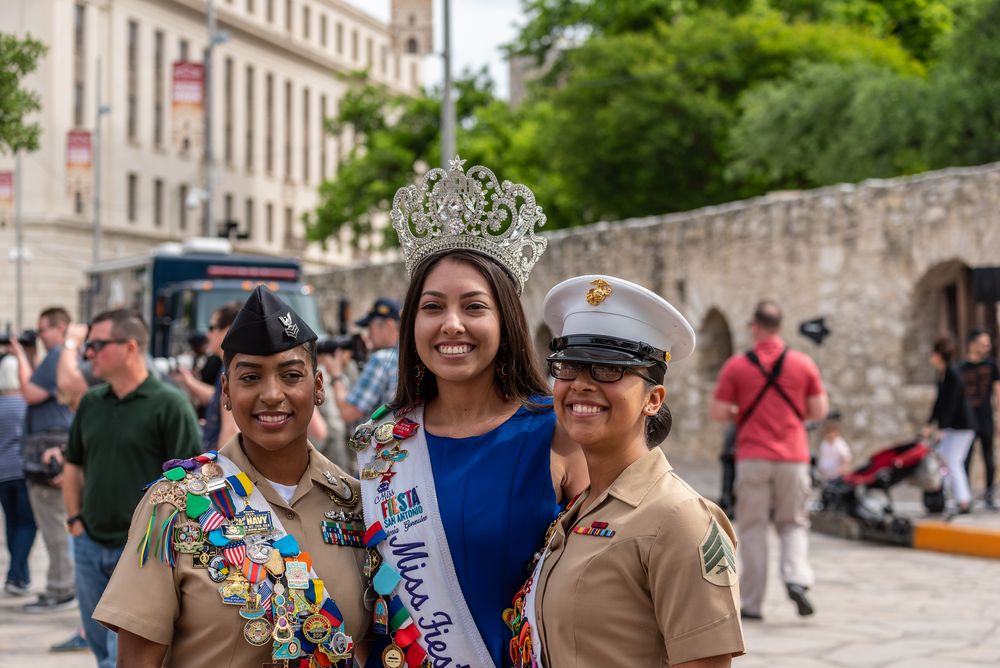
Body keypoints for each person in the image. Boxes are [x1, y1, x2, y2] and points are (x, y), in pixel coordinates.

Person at [354, 158, 587, 666]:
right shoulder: (382, 443)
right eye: (433, 306)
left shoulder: (558, 431)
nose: (452, 324)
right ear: (411, 322)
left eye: (475, 307)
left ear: (506, 320)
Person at [94, 286, 370, 667]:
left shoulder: (357, 504)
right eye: (251, 377)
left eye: (291, 375)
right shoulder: (176, 504)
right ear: (225, 390)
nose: (272, 394)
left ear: (318, 386)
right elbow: (137, 658)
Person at [512, 275, 744, 668]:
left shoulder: (679, 518)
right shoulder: (582, 506)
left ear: (652, 399)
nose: (581, 384)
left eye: (607, 370)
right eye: (568, 367)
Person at [61, 309, 202, 668]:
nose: (88, 353)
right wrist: (75, 522)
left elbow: (190, 481)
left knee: (121, 657)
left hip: (143, 553)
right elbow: (73, 465)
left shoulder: (169, 404)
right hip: (90, 543)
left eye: (97, 345)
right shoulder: (91, 403)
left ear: (129, 347)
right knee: (99, 650)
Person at [711, 300, 828, 620]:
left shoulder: (736, 366)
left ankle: (752, 603)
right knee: (793, 523)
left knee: (752, 529)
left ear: (755, 327)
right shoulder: (803, 364)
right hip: (794, 456)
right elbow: (818, 411)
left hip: (752, 456)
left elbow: (719, 413)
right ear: (778, 326)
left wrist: (744, 411)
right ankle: (796, 579)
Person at [8, 307, 77, 614]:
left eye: (43, 329)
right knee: (53, 526)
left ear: (60, 328)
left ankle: (62, 589)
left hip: (51, 455)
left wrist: (19, 356)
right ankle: (59, 585)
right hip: (50, 450)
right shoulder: (53, 359)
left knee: (54, 526)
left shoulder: (57, 355)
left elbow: (30, 393)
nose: (39, 335)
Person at [327, 297, 401, 425]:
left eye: (370, 328)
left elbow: (348, 412)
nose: (368, 335)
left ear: (388, 325)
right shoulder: (408, 355)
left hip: (375, 442)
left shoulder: (382, 360)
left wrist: (336, 373)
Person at [926, 335, 976, 514]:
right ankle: (944, 497)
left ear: (939, 355)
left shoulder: (953, 374)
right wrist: (930, 422)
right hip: (953, 427)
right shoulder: (943, 374)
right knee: (943, 460)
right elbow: (939, 402)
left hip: (961, 426)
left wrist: (941, 427)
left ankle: (963, 501)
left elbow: (952, 404)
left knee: (952, 461)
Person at [0, 354, 36, 596]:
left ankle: (21, 576)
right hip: (23, 470)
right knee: (28, 523)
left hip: (2, 472)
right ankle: (15, 575)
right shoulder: (27, 403)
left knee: (12, 523)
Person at [959, 329, 999, 509]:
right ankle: (965, 495)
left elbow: (998, 392)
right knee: (966, 458)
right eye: (983, 343)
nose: (987, 347)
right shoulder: (960, 367)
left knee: (988, 458)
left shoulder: (992, 366)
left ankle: (989, 496)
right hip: (968, 421)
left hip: (985, 418)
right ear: (972, 344)